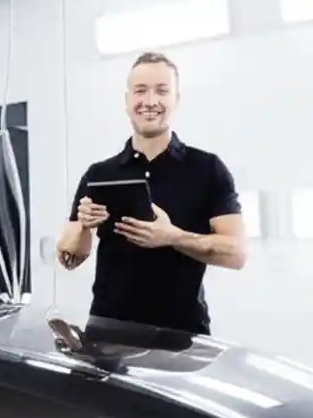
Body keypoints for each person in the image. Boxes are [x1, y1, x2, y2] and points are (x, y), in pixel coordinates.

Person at [56, 52, 246, 335]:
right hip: (108, 335)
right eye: (140, 91)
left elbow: (237, 254)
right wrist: (84, 226)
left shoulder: (207, 169)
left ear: (176, 100)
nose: (150, 101)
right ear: (127, 101)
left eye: (162, 91)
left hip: (182, 336)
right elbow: (69, 258)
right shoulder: (99, 174)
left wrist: (172, 237)